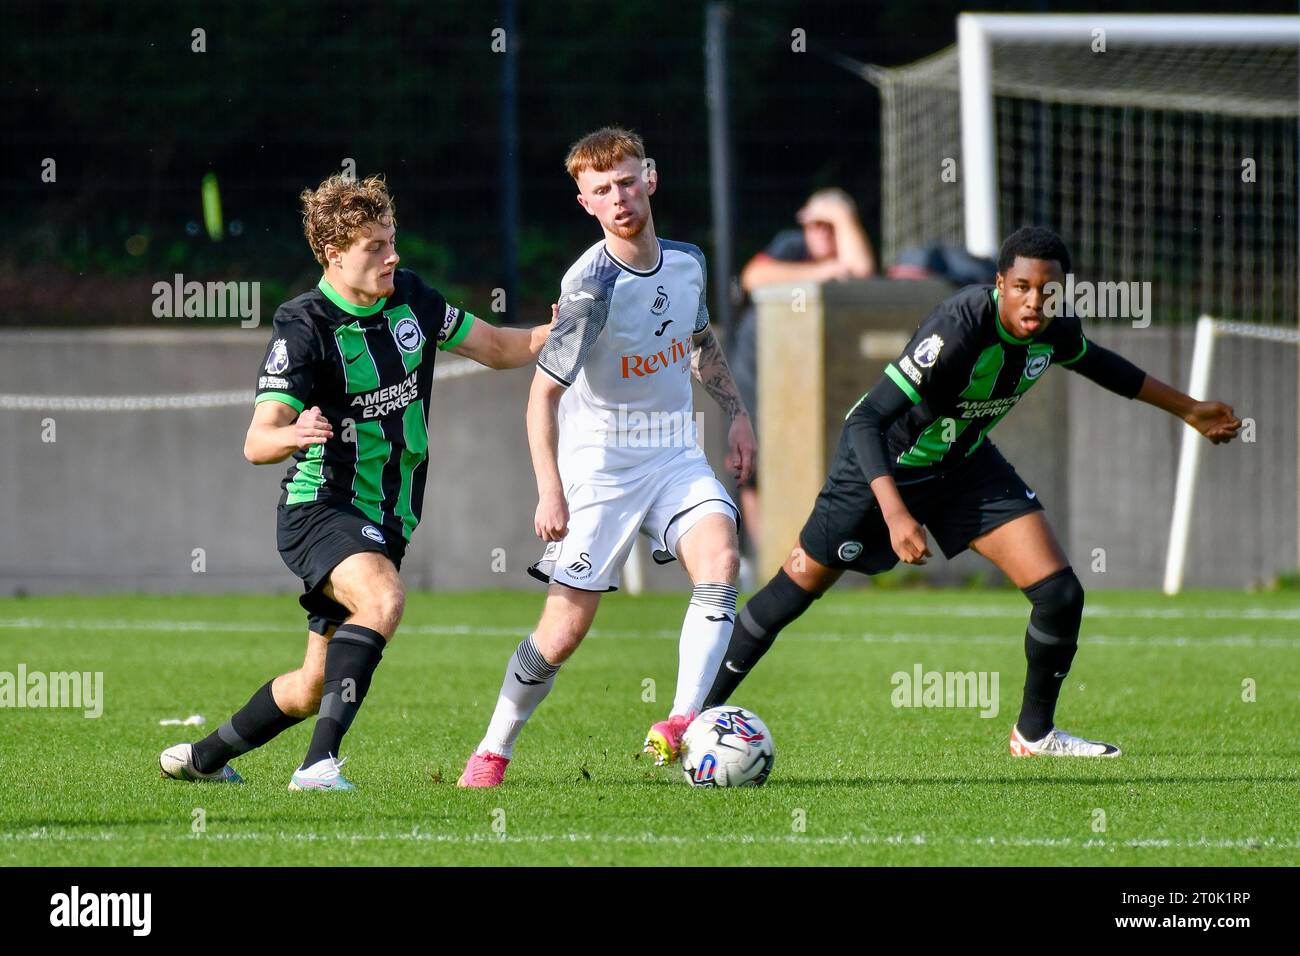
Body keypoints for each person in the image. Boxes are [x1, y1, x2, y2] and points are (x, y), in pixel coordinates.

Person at [703, 226, 1241, 757]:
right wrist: (895, 513)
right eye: (1023, 288)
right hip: (883, 467)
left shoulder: (1053, 330)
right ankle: (693, 717)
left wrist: (1190, 409)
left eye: (1048, 291)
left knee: (1060, 594)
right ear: (1002, 283)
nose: (1035, 302)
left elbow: (1104, 366)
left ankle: (1034, 736)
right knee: (792, 593)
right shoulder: (959, 327)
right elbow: (864, 420)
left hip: (962, 464)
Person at [160, 173, 551, 790]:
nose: (391, 255)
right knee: (384, 599)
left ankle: (203, 759)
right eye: (374, 246)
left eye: (392, 240)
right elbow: (256, 440)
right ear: (334, 254)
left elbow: (501, 347)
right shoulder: (304, 324)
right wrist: (293, 433)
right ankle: (318, 767)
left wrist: (570, 328)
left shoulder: (413, 300)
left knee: (314, 686)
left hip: (388, 514)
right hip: (321, 506)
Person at [457, 127, 757, 787]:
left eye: (626, 181)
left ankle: (680, 722)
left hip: (675, 452)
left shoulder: (687, 261)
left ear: (649, 178)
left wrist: (735, 415)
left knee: (722, 558)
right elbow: (540, 398)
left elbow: (699, 339)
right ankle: (492, 749)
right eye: (601, 191)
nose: (618, 198)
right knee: (563, 630)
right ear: (585, 203)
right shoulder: (589, 285)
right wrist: (549, 491)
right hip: (601, 467)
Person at [731, 188, 876, 558]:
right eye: (813, 224)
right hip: (758, 368)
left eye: (828, 226)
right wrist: (821, 270)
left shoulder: (849, 250)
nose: (818, 234)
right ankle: (766, 558)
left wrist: (843, 218)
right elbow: (753, 276)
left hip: (812, 379)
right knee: (754, 461)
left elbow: (861, 271)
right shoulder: (792, 247)